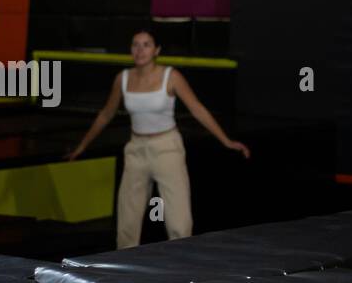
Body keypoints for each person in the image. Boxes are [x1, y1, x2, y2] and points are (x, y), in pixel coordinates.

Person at [67, 29, 250, 249]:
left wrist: (226, 141)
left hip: (167, 149)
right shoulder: (122, 79)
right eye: (135, 44)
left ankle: (180, 272)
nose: (140, 50)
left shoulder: (170, 76)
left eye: (146, 44)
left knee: (179, 224)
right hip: (136, 150)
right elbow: (106, 114)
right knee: (127, 223)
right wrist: (82, 146)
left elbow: (198, 110)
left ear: (157, 50)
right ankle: (125, 275)